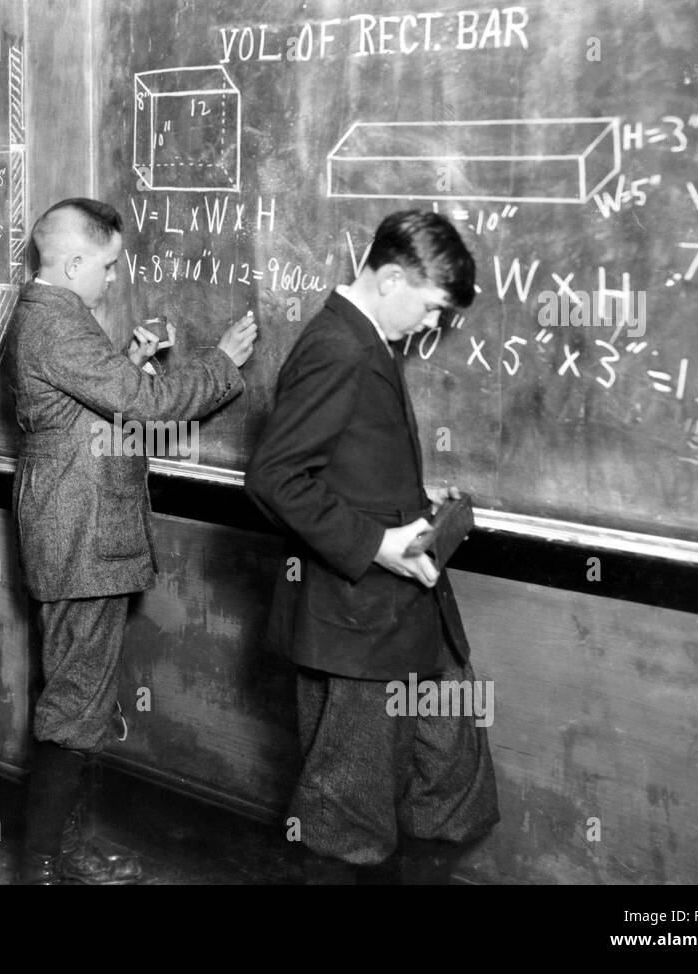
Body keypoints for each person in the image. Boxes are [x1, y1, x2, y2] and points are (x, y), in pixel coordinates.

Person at [7, 197, 257, 884]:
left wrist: (127, 363)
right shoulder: (56, 323)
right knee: (73, 705)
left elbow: (90, 407)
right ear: (76, 259)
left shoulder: (55, 320)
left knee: (80, 700)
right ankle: (44, 867)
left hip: (80, 529)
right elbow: (143, 409)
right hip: (80, 534)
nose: (113, 279)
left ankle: (67, 851)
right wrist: (221, 365)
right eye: (110, 265)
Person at [245, 209, 498, 885]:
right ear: (391, 278)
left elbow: (344, 466)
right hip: (356, 620)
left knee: (447, 778)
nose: (432, 326)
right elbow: (273, 477)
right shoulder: (342, 347)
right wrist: (377, 541)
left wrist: (408, 507)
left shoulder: (367, 339)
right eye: (432, 307)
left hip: (404, 612)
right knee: (347, 818)